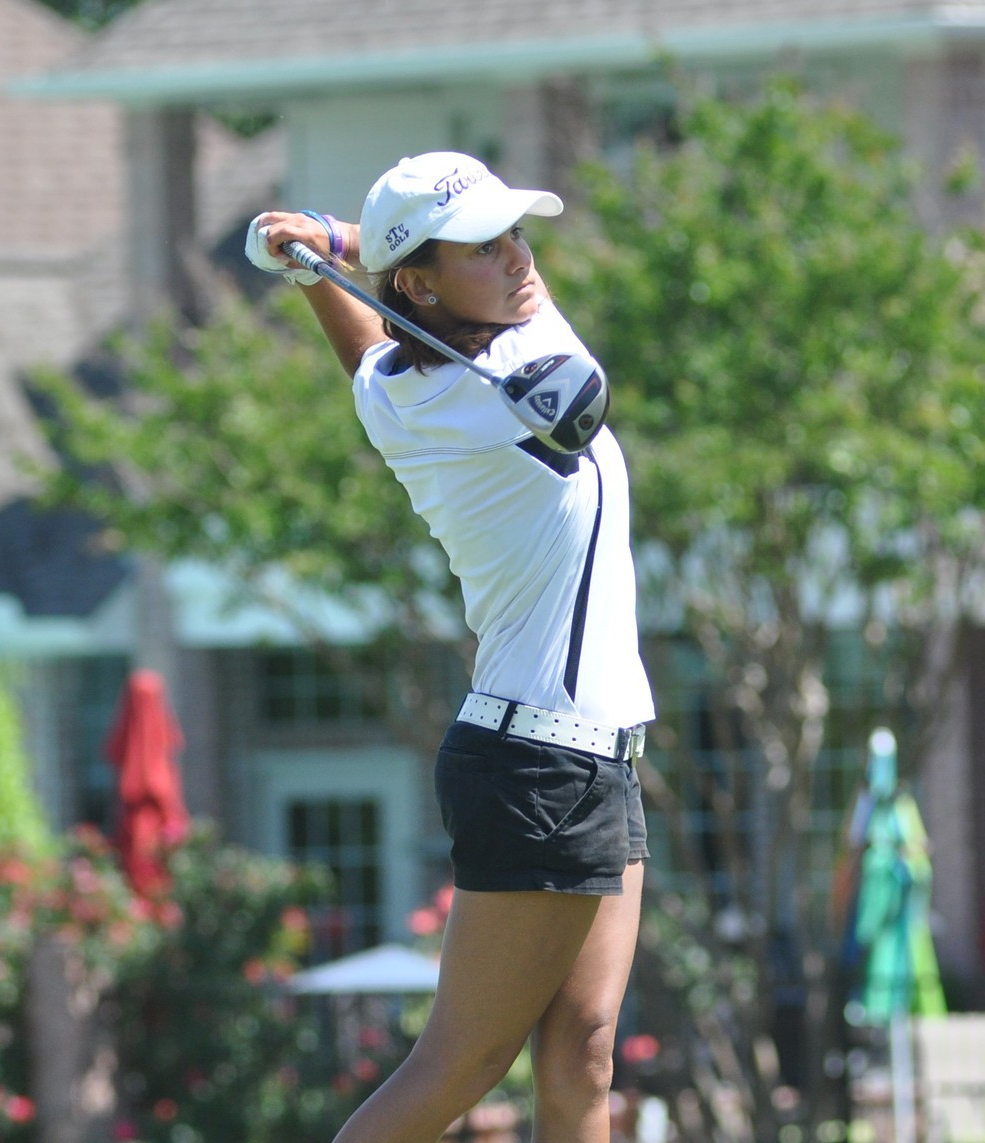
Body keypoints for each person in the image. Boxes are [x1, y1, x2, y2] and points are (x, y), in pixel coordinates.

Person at [245, 151, 655, 1143]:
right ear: (422, 285)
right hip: (540, 758)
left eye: (516, 233)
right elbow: (529, 373)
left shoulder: (416, 377)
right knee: (462, 1064)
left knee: (583, 1054)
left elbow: (372, 352)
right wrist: (335, 255)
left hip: (589, 756)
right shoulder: (495, 388)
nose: (520, 260)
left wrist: (325, 255)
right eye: (487, 246)